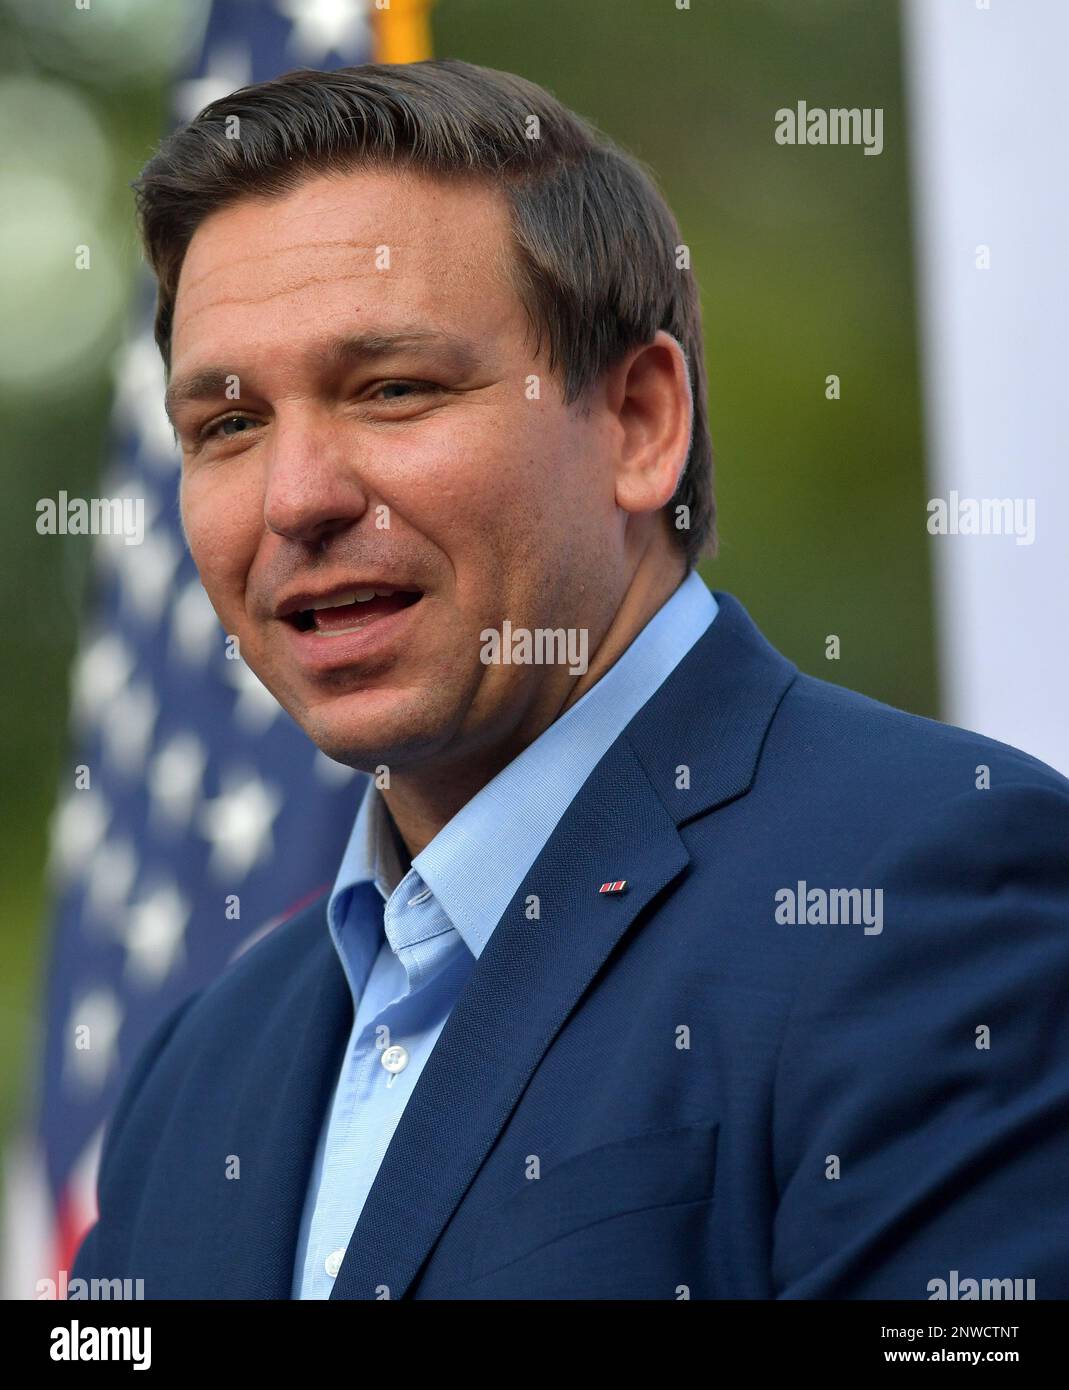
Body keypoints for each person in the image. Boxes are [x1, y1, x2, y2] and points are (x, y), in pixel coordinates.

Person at [72, 59, 1069, 1300]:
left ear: (643, 422)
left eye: (392, 390)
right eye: (226, 423)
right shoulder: (197, 1074)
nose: (298, 497)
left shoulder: (931, 883)